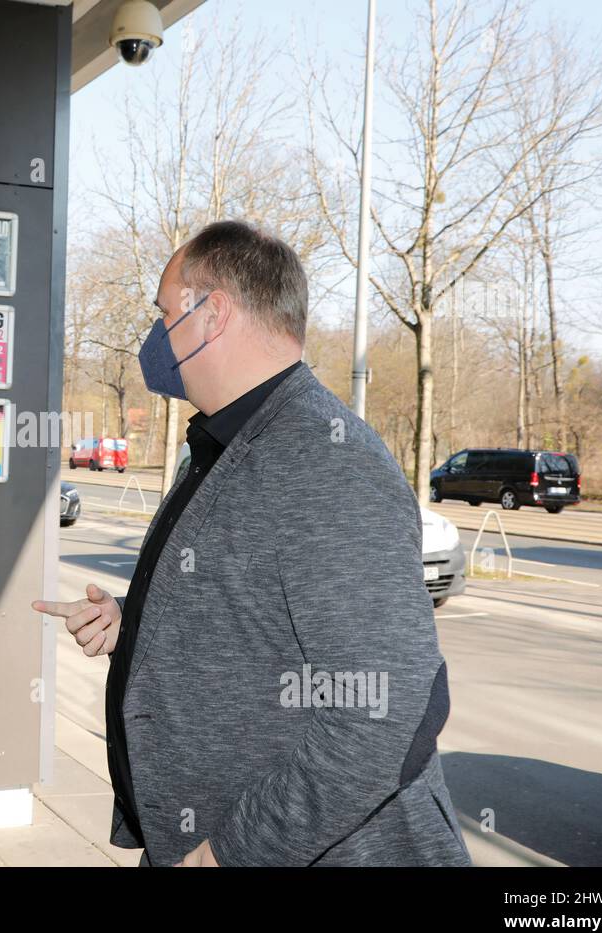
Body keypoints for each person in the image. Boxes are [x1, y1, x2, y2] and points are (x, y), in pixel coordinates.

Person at [33, 221, 470, 867]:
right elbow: (251, 611)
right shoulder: (228, 442)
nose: (153, 337)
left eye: (163, 314)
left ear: (210, 315)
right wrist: (135, 623)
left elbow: (383, 709)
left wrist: (229, 853)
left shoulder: (325, 461)